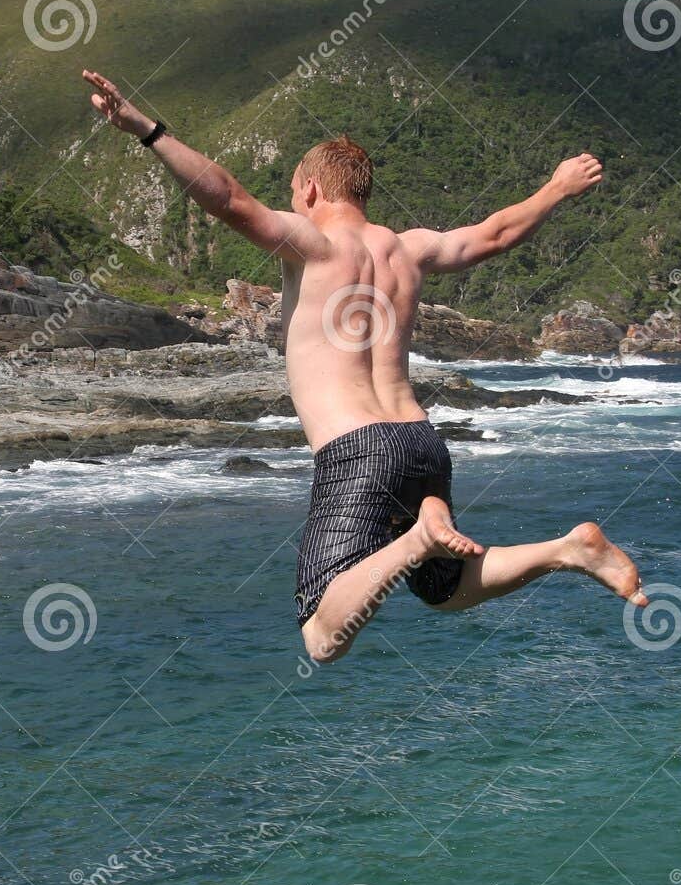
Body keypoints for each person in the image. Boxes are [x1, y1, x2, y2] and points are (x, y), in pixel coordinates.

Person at [83, 69, 648, 663]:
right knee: (446, 590)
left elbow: (226, 196)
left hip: (359, 449)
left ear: (308, 192)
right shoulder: (410, 249)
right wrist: (557, 187)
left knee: (321, 637)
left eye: (292, 192)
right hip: (422, 441)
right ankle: (569, 549)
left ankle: (418, 540)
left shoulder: (313, 244)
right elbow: (495, 235)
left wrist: (144, 129)